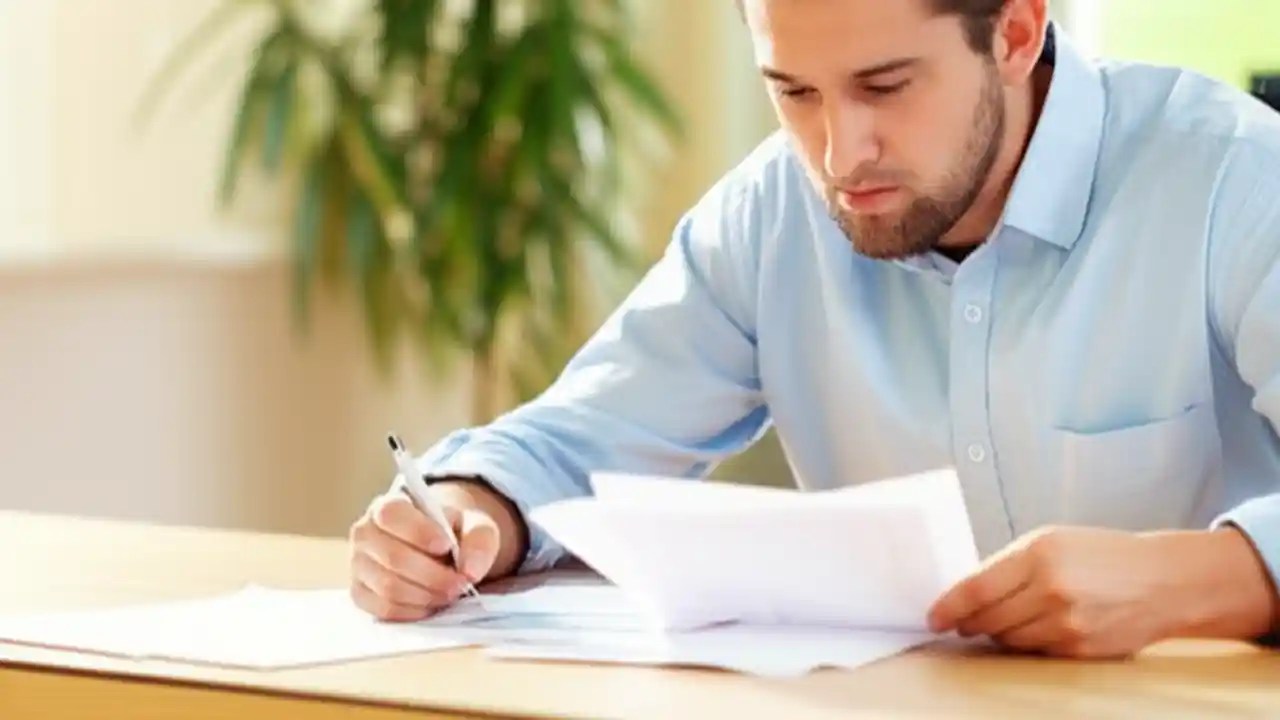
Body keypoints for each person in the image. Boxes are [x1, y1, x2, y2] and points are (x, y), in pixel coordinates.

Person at [347, 0, 1280, 658]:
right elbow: (576, 438)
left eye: (887, 86)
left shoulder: (1232, 178)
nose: (840, 155)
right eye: (794, 93)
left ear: (1016, 31)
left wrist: (1200, 579)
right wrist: (471, 510)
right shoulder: (772, 214)